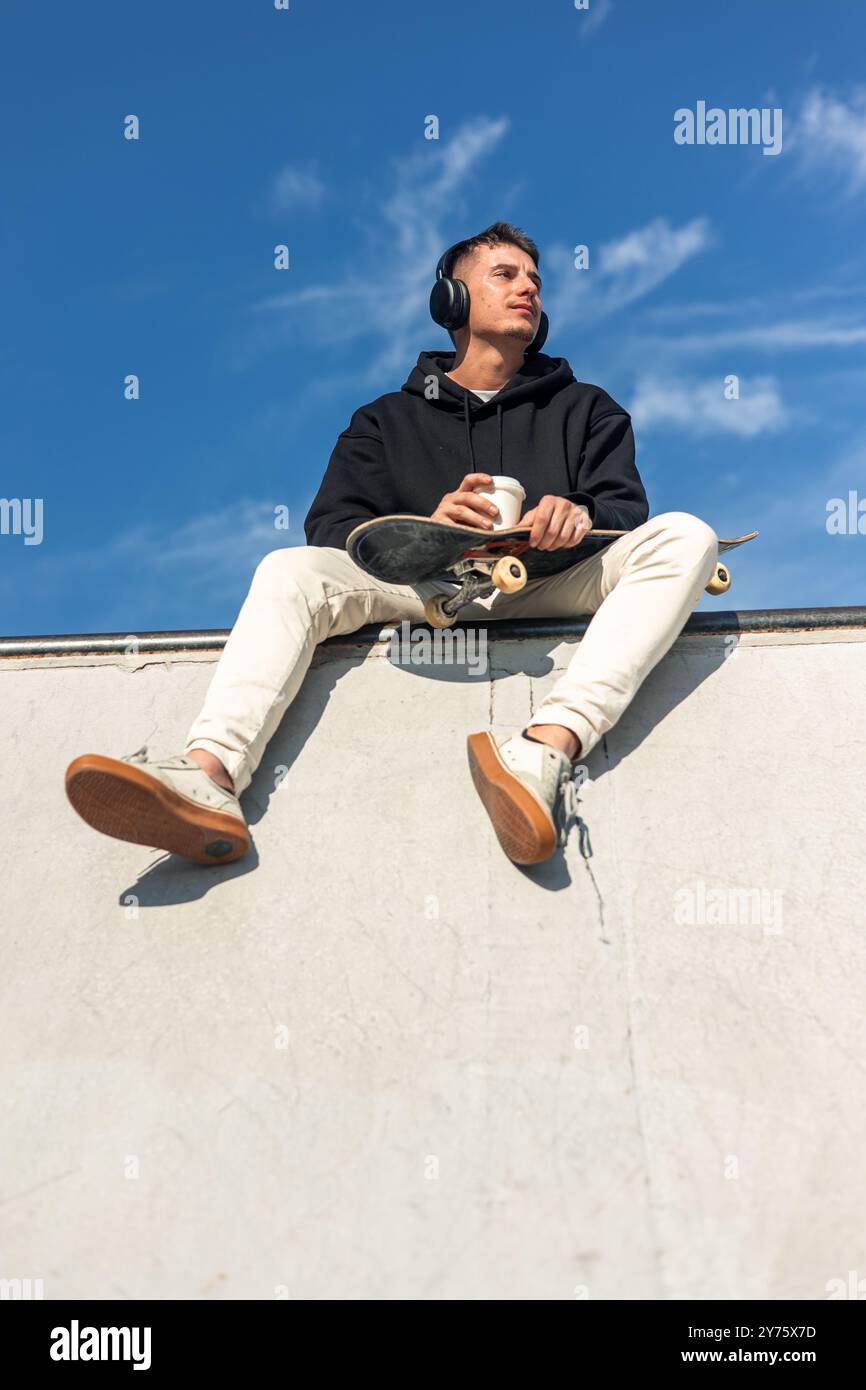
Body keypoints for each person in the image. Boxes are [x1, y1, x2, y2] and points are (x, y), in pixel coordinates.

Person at [65, 221, 718, 866]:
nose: (528, 289)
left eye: (535, 281)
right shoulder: (383, 420)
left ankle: (542, 751)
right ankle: (211, 775)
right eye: (505, 274)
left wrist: (576, 513)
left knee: (688, 537)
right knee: (288, 569)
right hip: (426, 588)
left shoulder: (587, 407)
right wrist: (423, 530)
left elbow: (627, 511)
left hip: (549, 581)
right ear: (452, 302)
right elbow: (330, 528)